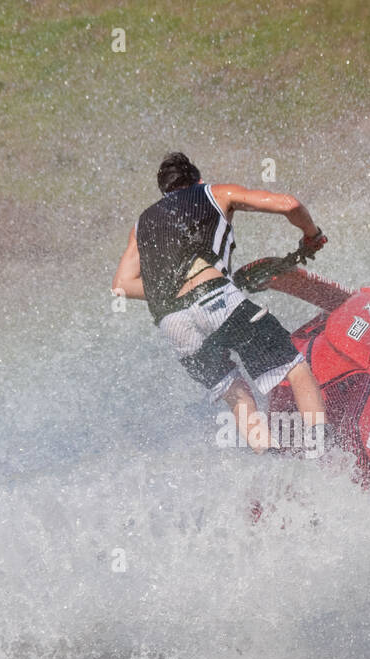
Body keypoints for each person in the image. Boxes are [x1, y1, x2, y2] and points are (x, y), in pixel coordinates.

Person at [112, 152, 329, 453]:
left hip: (173, 323)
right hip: (216, 300)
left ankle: (274, 462)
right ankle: (324, 452)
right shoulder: (215, 193)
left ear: (163, 193)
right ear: (197, 179)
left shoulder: (142, 223)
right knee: (294, 368)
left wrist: (176, 291)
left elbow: (121, 286)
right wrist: (311, 235)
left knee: (235, 392)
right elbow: (288, 204)